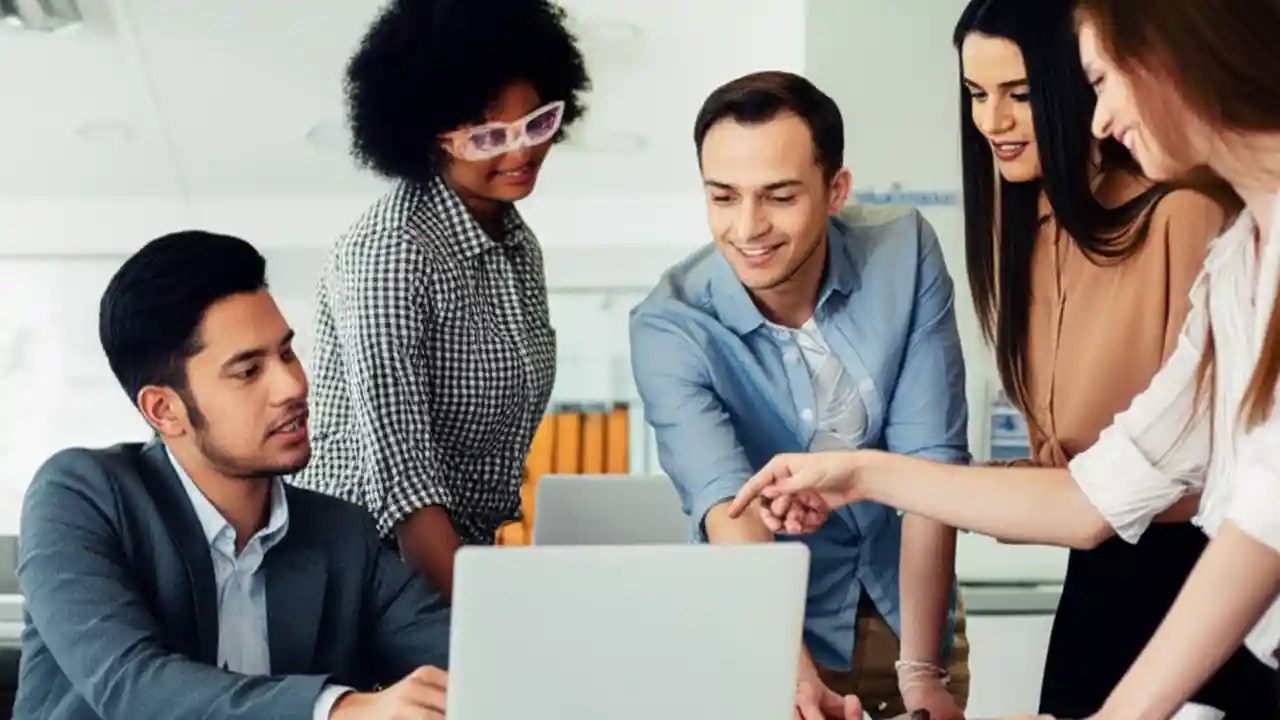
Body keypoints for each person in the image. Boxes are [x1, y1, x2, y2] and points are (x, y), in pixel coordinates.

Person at [730, 0, 1280, 715]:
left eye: (1102, 80)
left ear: (1174, 59)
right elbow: (1096, 496)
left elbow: (1255, 527)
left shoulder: (1200, 229)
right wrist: (862, 473)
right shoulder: (1239, 266)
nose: (1101, 117)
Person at [952, 0, 1272, 716]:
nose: (991, 122)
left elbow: (1213, 487)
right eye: (977, 95)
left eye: (1019, 94)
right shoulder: (1023, 228)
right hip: (1103, 580)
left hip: (1197, 579)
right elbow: (1081, 484)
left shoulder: (1188, 217)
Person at [630, 71, 969, 720]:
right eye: (722, 197)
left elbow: (934, 467)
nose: (748, 227)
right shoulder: (670, 325)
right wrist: (793, 678)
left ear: (835, 189)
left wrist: (924, 674)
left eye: (779, 196)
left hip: (911, 612)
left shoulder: (904, 252)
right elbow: (728, 505)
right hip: (775, 630)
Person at [16, 232, 452, 720]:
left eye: (286, 353)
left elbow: (459, 657)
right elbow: (130, 686)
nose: (292, 386)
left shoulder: (342, 533)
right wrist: (339, 710)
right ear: (165, 411)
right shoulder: (81, 496)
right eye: (248, 371)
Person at [292, 0, 590, 600]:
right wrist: (484, 620)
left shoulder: (515, 243)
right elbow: (405, 489)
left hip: (459, 559)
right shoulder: (389, 251)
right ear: (429, 138)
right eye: (488, 136)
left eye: (537, 124)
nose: (521, 153)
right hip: (364, 575)